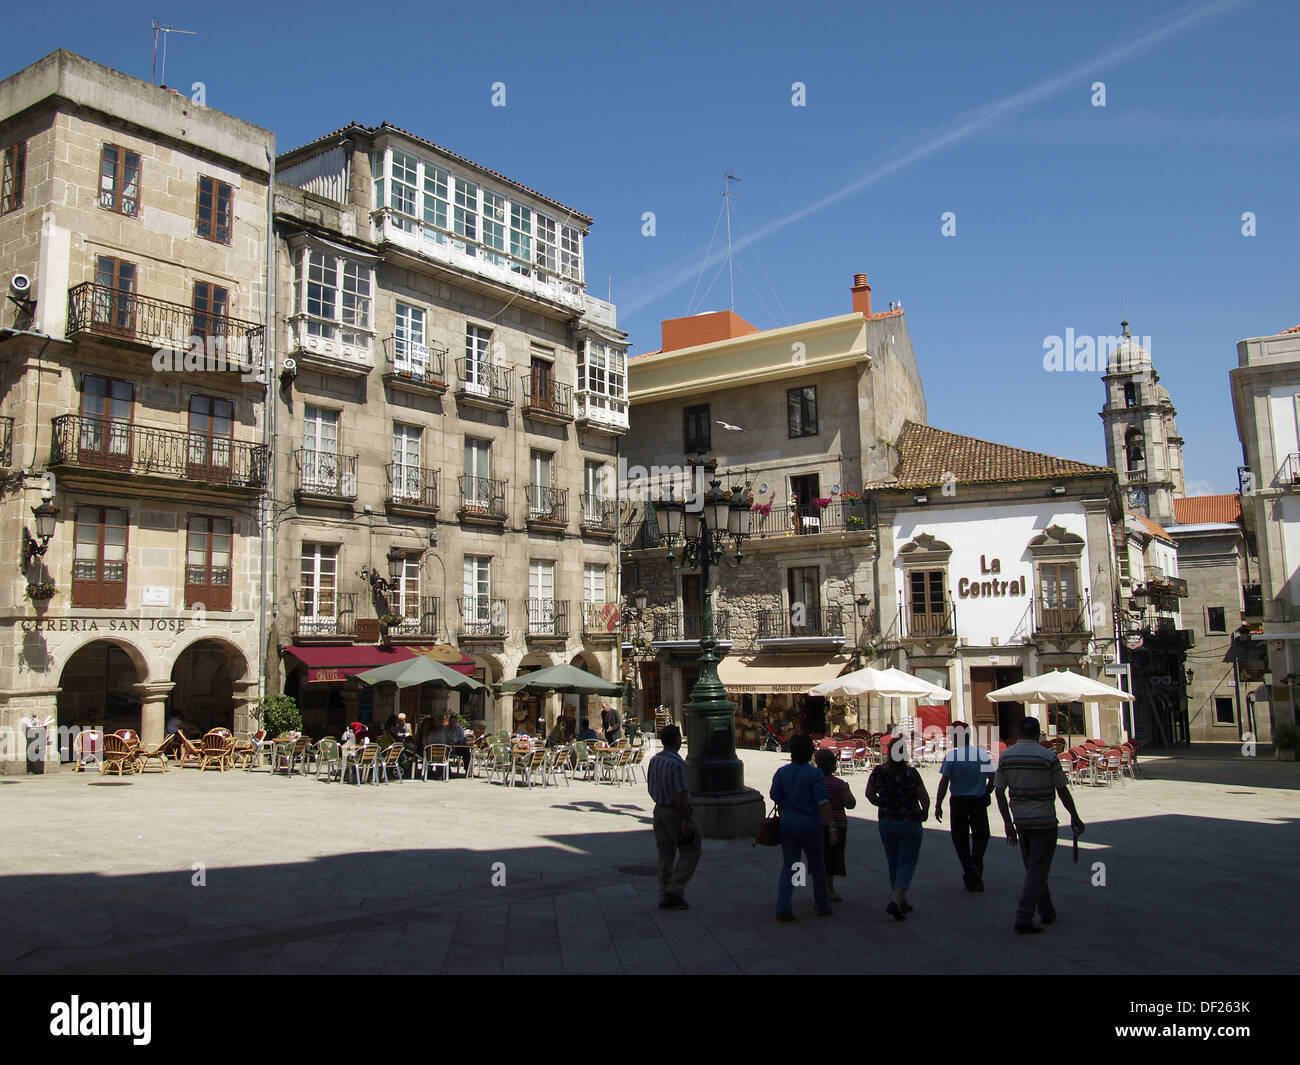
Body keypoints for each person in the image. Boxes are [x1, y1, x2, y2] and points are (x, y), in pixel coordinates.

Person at [995, 716, 1086, 934]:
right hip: (1044, 820)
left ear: (1019, 733)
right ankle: (1024, 916)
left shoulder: (1006, 756)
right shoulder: (1047, 756)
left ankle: (1047, 910)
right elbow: (1062, 789)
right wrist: (1074, 816)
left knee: (1034, 867)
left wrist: (1007, 823)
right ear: (1037, 734)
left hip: (1021, 821)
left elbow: (999, 791)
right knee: (1038, 868)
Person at [770, 733, 834, 921]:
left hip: (788, 823)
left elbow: (775, 795)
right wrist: (831, 826)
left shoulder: (782, 772)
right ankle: (822, 904)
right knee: (817, 865)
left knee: (790, 865)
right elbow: (822, 801)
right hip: (810, 823)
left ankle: (783, 906)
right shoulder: (815, 774)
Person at [865, 735, 930, 920]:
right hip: (909, 820)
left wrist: (883, 804)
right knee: (907, 861)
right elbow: (923, 795)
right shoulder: (911, 773)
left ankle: (903, 900)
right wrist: (924, 811)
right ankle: (895, 901)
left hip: (887, 821)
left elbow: (869, 794)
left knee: (893, 860)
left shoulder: (878, 772)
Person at [935, 721, 995, 892]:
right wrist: (986, 792)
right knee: (981, 835)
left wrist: (938, 804)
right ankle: (975, 864)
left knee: (960, 838)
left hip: (959, 801)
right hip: (977, 801)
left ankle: (969, 868)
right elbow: (993, 778)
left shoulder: (952, 757)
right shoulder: (981, 754)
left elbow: (944, 782)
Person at [645, 725, 699, 910]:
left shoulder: (654, 760)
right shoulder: (677, 763)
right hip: (675, 812)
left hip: (658, 810)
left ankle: (664, 893)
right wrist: (687, 819)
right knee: (692, 849)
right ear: (677, 740)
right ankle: (674, 890)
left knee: (665, 854)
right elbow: (681, 795)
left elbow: (650, 786)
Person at [815, 748, 856, 902]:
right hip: (837, 824)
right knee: (833, 857)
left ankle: (822, 888)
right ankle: (830, 888)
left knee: (820, 856)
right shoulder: (839, 784)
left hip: (817, 823)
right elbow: (850, 803)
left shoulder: (814, 783)